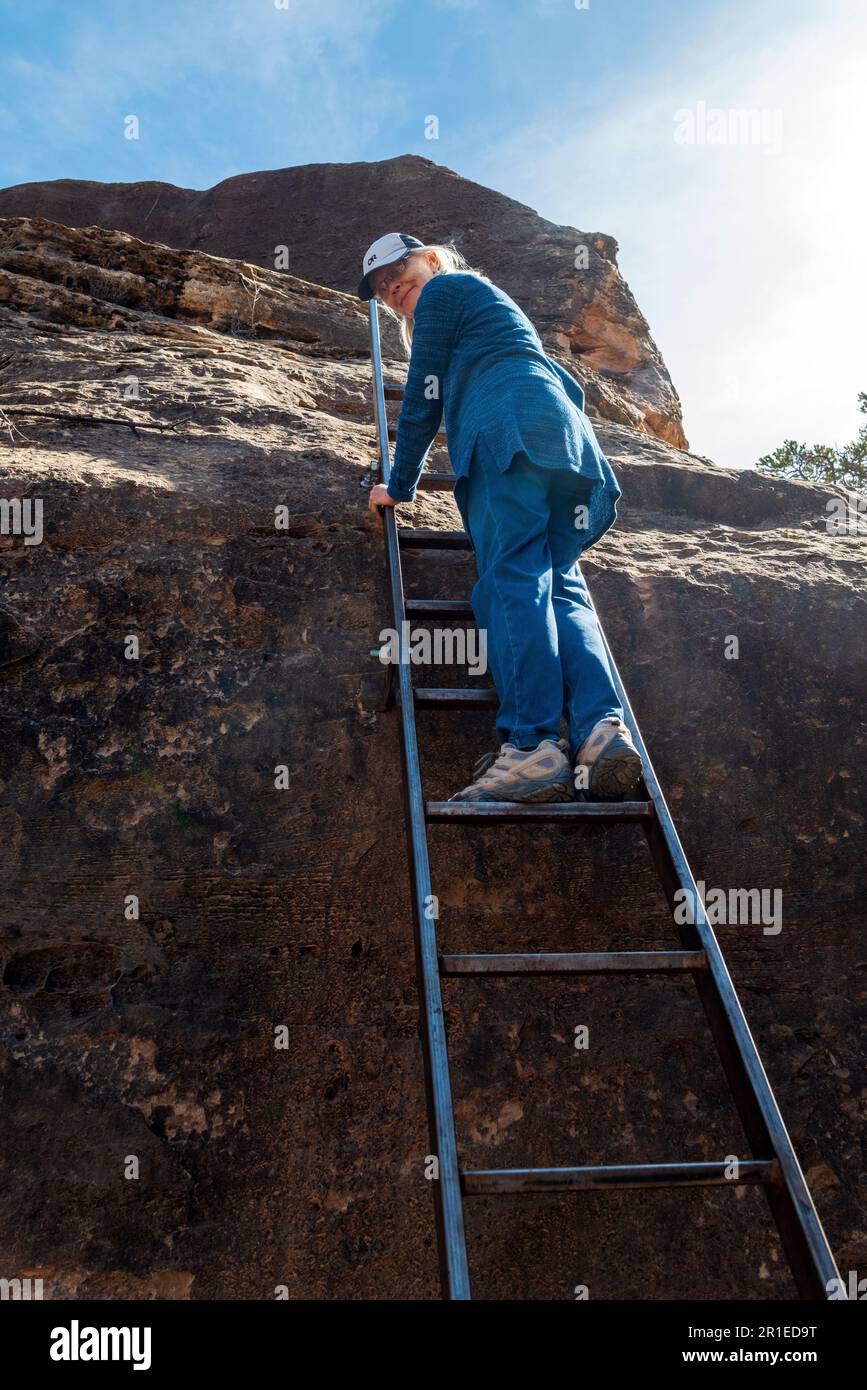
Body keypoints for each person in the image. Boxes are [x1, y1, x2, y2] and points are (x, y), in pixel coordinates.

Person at [359, 232, 642, 804]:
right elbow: (567, 386)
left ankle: (531, 748)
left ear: (430, 258)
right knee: (559, 587)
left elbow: (424, 393)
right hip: (563, 445)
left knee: (510, 581)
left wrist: (402, 483)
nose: (393, 290)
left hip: (505, 441)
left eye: (398, 273)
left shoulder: (445, 291)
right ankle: (600, 731)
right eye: (384, 291)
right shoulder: (493, 308)